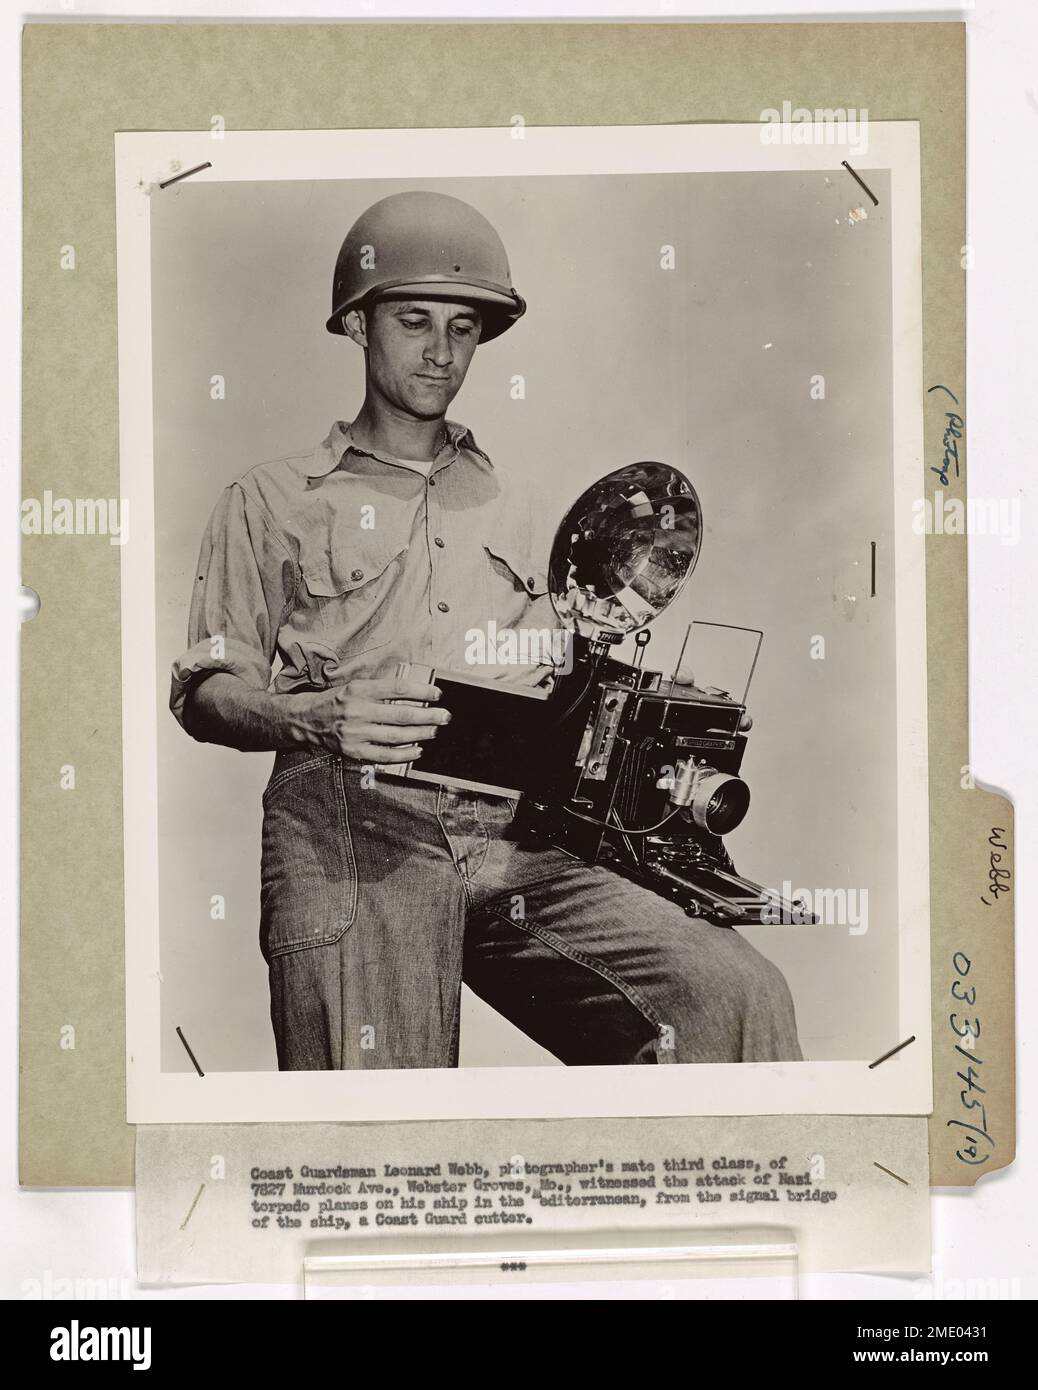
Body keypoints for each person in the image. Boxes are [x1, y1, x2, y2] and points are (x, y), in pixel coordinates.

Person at [171, 190, 802, 1071]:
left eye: (463, 327)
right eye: (414, 321)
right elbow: (206, 689)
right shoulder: (270, 498)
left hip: (514, 837)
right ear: (358, 324)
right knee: (380, 1108)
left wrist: (622, 695)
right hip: (354, 821)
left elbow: (559, 688)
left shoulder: (527, 506)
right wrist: (316, 716)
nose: (440, 352)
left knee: (731, 999)